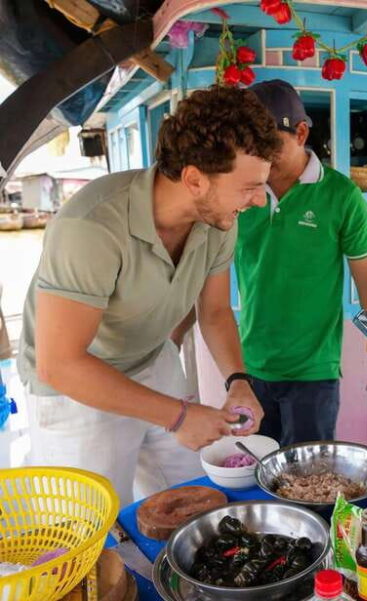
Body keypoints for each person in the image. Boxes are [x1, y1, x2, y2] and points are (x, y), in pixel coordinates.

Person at [18, 86, 279, 506]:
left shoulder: (219, 222)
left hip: (153, 359)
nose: (258, 200)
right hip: (75, 386)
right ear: (194, 178)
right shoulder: (92, 226)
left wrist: (238, 381)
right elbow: (60, 363)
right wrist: (176, 416)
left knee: (188, 499)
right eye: (249, 187)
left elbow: (213, 312)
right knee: (94, 525)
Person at [235, 79, 367, 446]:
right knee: (258, 478)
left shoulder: (341, 196)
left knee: (309, 485)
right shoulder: (243, 191)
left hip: (314, 372)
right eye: (249, 146)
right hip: (250, 367)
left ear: (301, 132)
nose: (258, 156)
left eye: (267, 143)